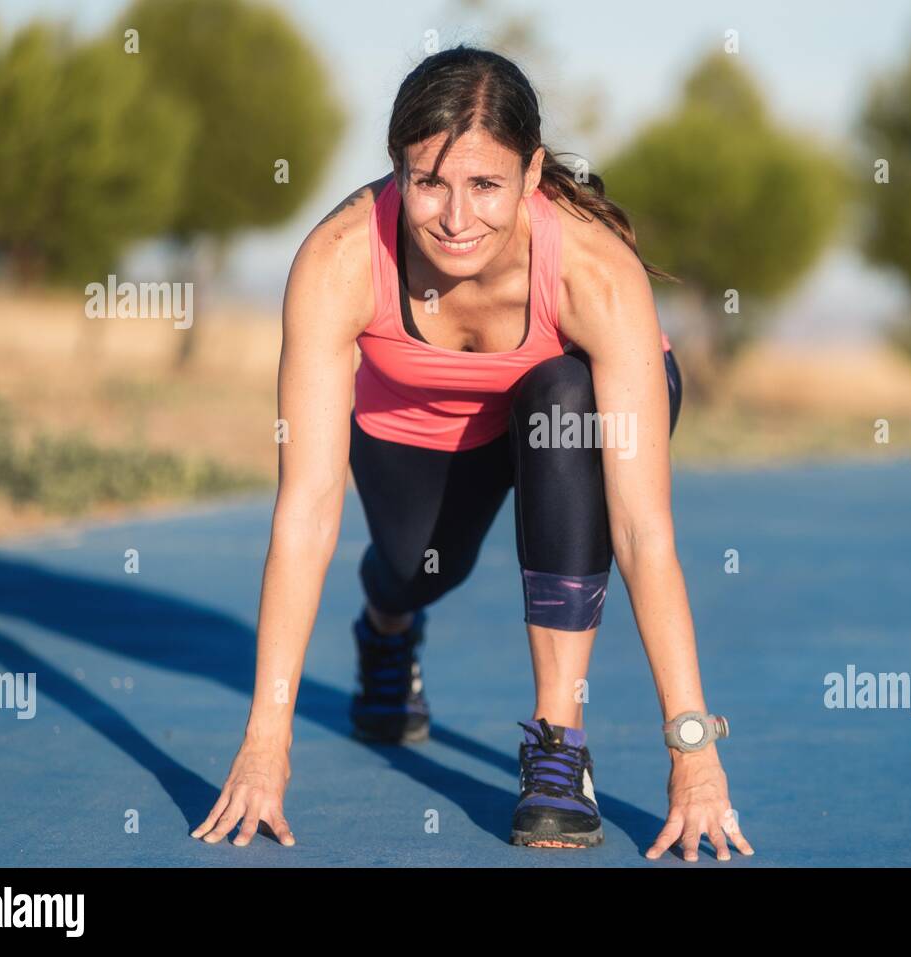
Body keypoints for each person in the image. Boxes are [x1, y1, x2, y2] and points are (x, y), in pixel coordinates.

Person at [191, 45, 752, 861]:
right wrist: (265, 740)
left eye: (486, 184)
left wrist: (693, 747)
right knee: (421, 567)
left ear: (530, 177)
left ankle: (557, 745)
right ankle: (386, 626)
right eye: (430, 183)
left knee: (566, 396)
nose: (457, 219)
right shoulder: (340, 260)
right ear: (398, 170)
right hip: (416, 422)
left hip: (562, 414)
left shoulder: (594, 271)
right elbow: (309, 509)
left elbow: (641, 529)